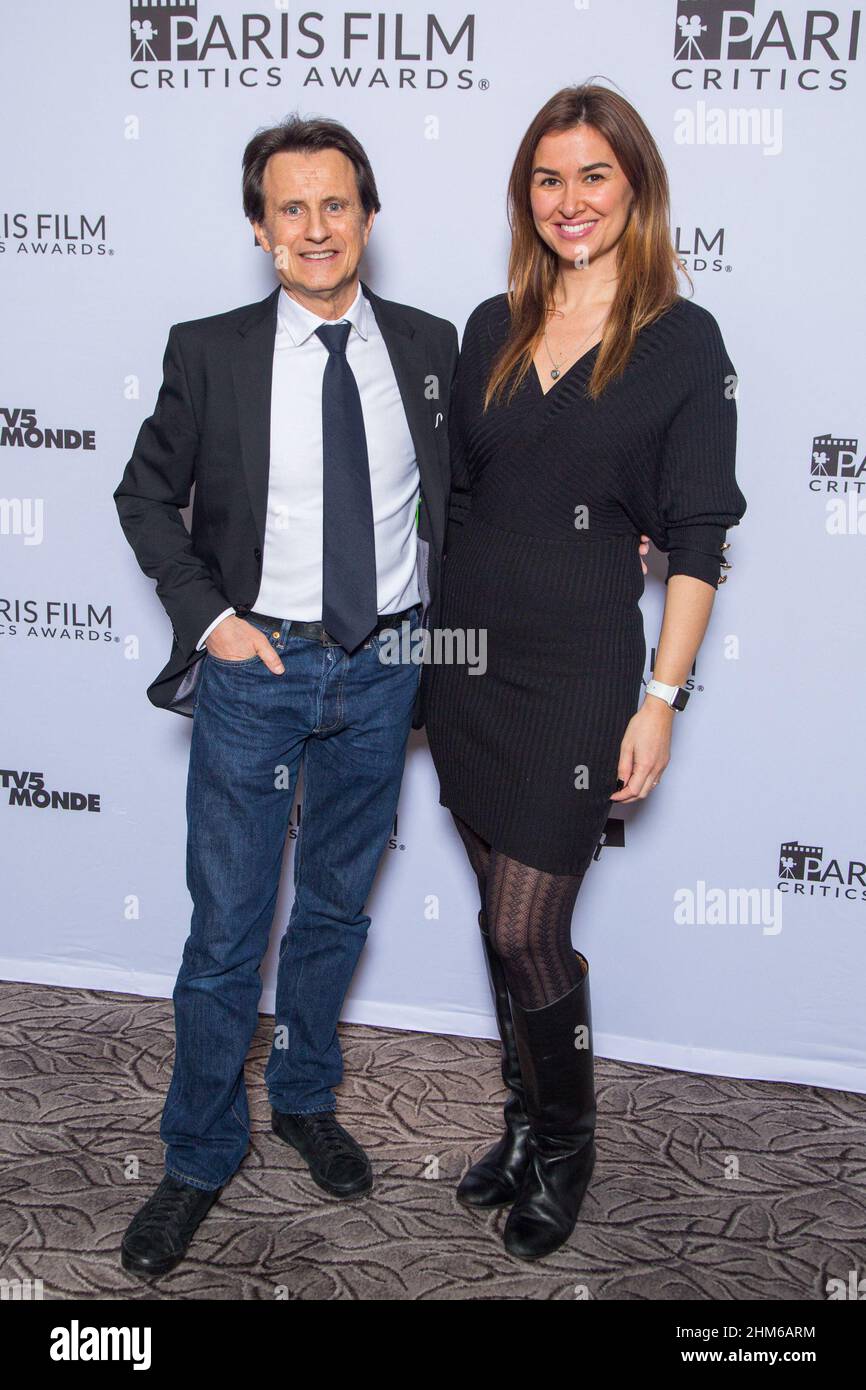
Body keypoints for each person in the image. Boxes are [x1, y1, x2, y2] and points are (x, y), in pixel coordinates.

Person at [112, 115, 459, 1278]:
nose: (316, 228)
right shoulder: (207, 351)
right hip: (256, 674)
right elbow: (145, 496)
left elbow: (481, 490)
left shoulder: (428, 345)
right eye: (290, 208)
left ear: (367, 214)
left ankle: (306, 1096)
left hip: (384, 662)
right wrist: (213, 621)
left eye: (336, 204)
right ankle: (198, 1154)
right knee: (225, 931)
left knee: (334, 909)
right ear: (260, 230)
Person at [424, 84, 747, 1261]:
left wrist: (658, 701)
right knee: (496, 918)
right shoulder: (488, 322)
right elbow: (456, 504)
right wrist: (423, 660)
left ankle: (566, 1146)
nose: (570, 201)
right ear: (527, 193)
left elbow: (699, 535)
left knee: (523, 928)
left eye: (593, 176)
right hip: (466, 662)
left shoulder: (680, 339)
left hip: (578, 670)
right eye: (548, 179)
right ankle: (520, 1123)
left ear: (635, 187)